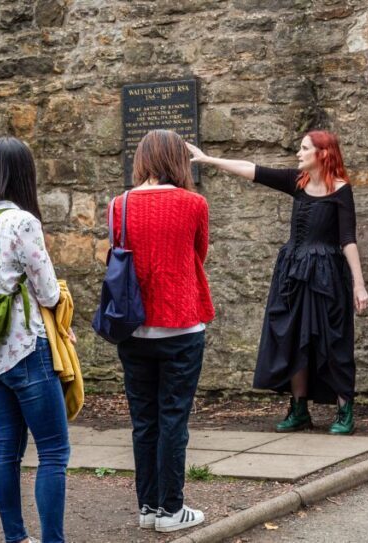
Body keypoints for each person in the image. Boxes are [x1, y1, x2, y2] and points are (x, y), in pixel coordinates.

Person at [187, 130, 368, 435]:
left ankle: (344, 409)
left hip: (326, 276)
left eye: (304, 148)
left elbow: (348, 239)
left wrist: (359, 285)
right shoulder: (296, 182)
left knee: (333, 340)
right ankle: (299, 410)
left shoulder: (341, 190)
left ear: (322, 154)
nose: (298, 153)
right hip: (292, 273)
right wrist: (207, 159)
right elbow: (252, 169)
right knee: (292, 337)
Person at [111, 129, 214, 533]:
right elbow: (199, 255)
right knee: (174, 418)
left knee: (144, 420)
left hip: (133, 328)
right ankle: (172, 510)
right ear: (178, 160)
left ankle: (148, 507)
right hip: (182, 327)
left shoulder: (118, 205)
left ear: (142, 160)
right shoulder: (194, 204)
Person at [0, 137, 70, 543]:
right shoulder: (23, 222)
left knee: (7, 451)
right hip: (27, 350)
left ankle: (16, 538)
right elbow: (47, 293)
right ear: (25, 174)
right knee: (54, 453)